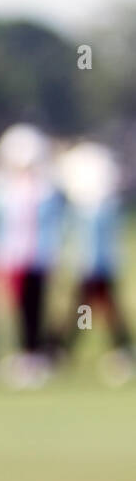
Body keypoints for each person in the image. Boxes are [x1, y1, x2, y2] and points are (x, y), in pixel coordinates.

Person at [0, 123, 67, 388]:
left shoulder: (47, 190)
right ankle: (24, 353)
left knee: (38, 307)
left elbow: (56, 225)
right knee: (18, 308)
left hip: (40, 257)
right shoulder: (4, 191)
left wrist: (57, 254)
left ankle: (37, 353)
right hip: (13, 258)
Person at [56, 140, 133, 385]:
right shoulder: (80, 211)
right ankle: (69, 348)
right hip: (86, 268)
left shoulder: (107, 208)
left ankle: (120, 349)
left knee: (109, 311)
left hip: (103, 268)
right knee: (83, 311)